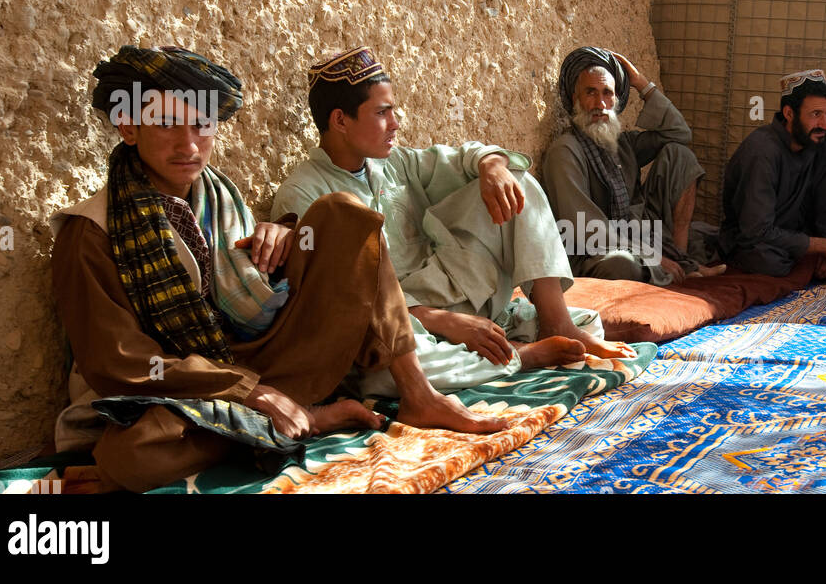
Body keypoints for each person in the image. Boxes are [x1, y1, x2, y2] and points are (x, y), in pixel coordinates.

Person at [51, 46, 503, 492]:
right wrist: (249, 392)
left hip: (258, 357)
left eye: (201, 124)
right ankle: (306, 417)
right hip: (183, 389)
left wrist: (283, 233)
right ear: (129, 127)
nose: (189, 144)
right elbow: (120, 363)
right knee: (133, 454)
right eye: (167, 124)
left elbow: (254, 288)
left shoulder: (217, 198)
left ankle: (418, 395)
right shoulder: (89, 232)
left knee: (345, 216)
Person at [272, 47, 635, 399]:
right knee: (381, 372)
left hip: (451, 295)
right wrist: (442, 322)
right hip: (397, 325)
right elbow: (340, 301)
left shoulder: (394, 163)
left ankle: (555, 320)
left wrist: (491, 166)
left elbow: (463, 156)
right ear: (340, 120)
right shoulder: (304, 195)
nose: (396, 123)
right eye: (382, 113)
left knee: (517, 180)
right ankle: (519, 356)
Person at [541, 46, 722, 285]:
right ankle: (674, 270)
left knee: (681, 156)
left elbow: (679, 133)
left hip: (637, 235)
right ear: (575, 99)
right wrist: (651, 255)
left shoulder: (623, 143)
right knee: (621, 264)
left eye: (607, 93)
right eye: (590, 92)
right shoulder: (565, 150)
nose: (600, 103)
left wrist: (643, 85)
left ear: (616, 100)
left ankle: (681, 259)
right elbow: (587, 231)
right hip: (592, 250)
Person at [719, 69, 826, 279]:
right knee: (768, 261)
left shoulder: (819, 142)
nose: (825, 124)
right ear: (789, 113)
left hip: (797, 233)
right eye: (815, 114)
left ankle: (819, 259)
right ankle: (812, 259)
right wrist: (824, 247)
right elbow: (756, 231)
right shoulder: (762, 151)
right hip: (757, 239)